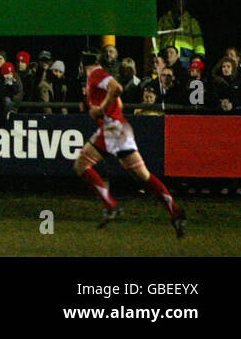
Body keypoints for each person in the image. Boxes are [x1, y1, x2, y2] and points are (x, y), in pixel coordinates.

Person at [73, 50, 185, 237]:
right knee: (144, 175)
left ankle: (110, 205)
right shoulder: (100, 76)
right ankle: (175, 212)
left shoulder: (95, 75)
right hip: (121, 130)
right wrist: (99, 107)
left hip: (111, 130)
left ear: (83, 66)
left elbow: (117, 89)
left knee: (81, 165)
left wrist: (100, 109)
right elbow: (119, 102)